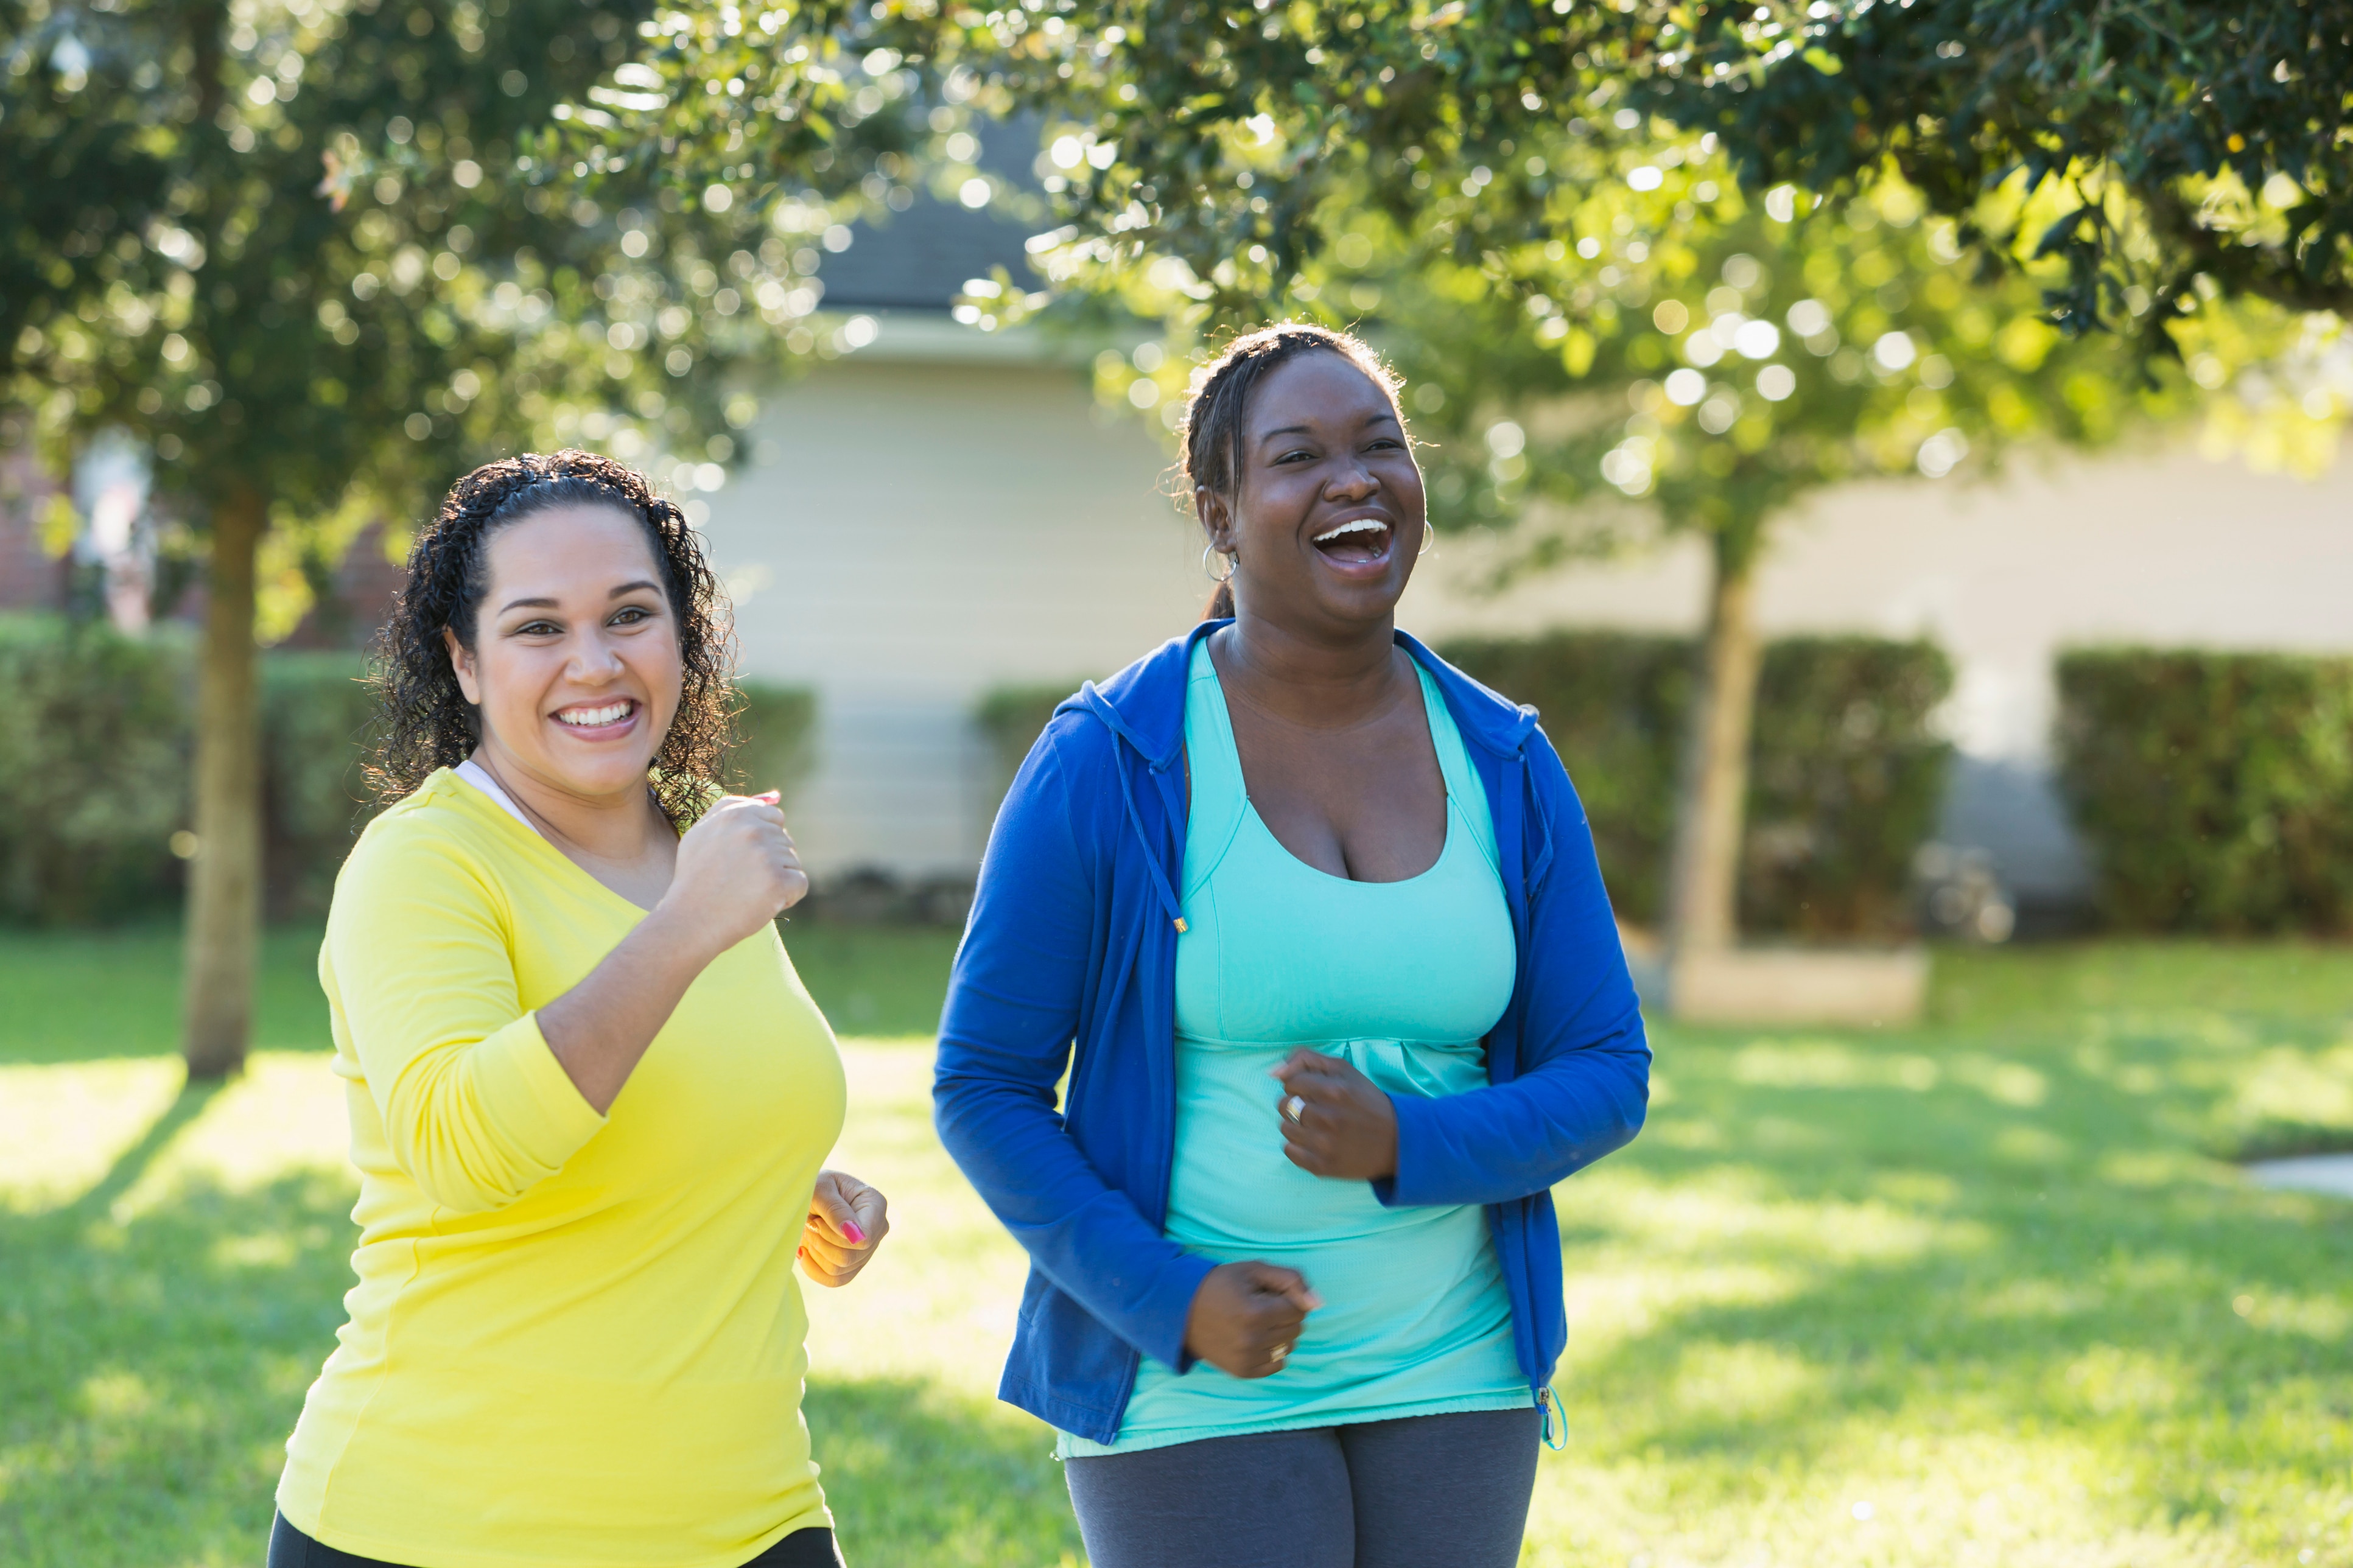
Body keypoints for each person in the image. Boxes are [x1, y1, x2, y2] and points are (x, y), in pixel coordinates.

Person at [932, 324, 1651, 1568]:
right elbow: (984, 1085)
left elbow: (1603, 1070)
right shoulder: (1115, 757)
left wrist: (1407, 1142)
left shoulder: (1505, 760)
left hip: (1457, 1368)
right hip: (1192, 1380)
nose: (1355, 478)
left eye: (1382, 446)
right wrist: (1171, 1299)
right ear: (1220, 515)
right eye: (1298, 456)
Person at [270, 451, 887, 1568]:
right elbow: (465, 1150)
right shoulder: (423, 864)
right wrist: (688, 923)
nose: (594, 663)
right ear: (463, 663)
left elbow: (678, 1080)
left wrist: (770, 1181)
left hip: (750, 1518)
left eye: (630, 615)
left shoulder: (703, 830)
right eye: (538, 628)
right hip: (445, 1528)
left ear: (682, 637)